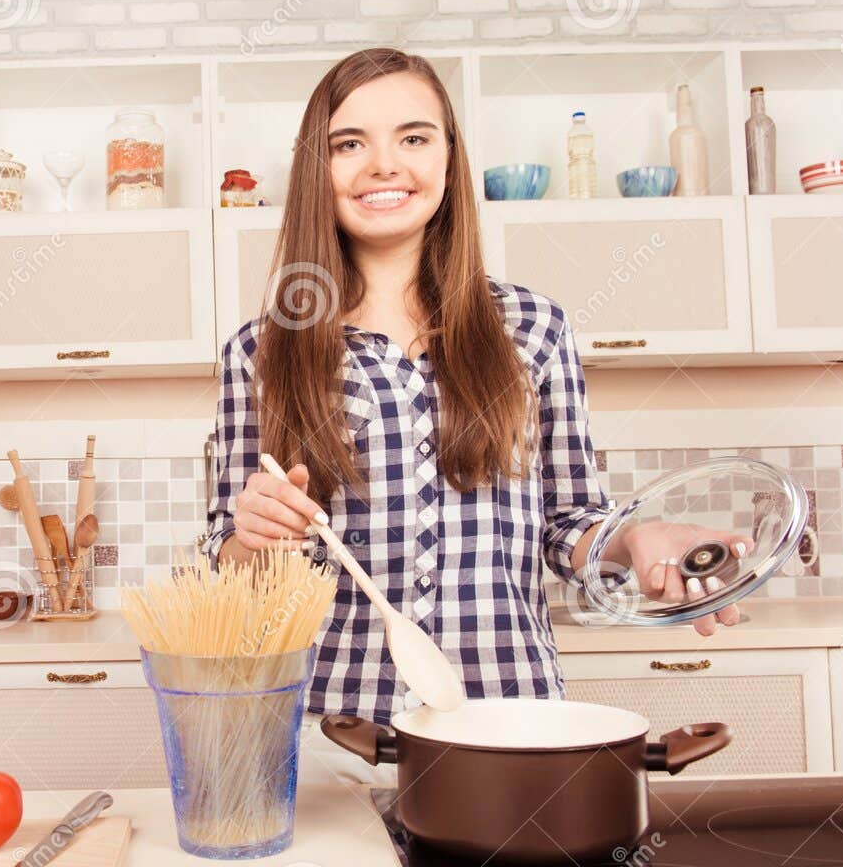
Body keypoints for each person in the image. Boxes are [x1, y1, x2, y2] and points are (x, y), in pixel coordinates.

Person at [202, 48, 741, 773]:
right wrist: (250, 541)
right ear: (315, 171)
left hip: (513, 723)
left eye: (414, 138)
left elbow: (568, 525)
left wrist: (633, 539)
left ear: (450, 160)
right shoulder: (261, 354)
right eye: (348, 144)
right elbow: (221, 574)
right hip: (329, 734)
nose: (384, 165)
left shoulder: (534, 331)